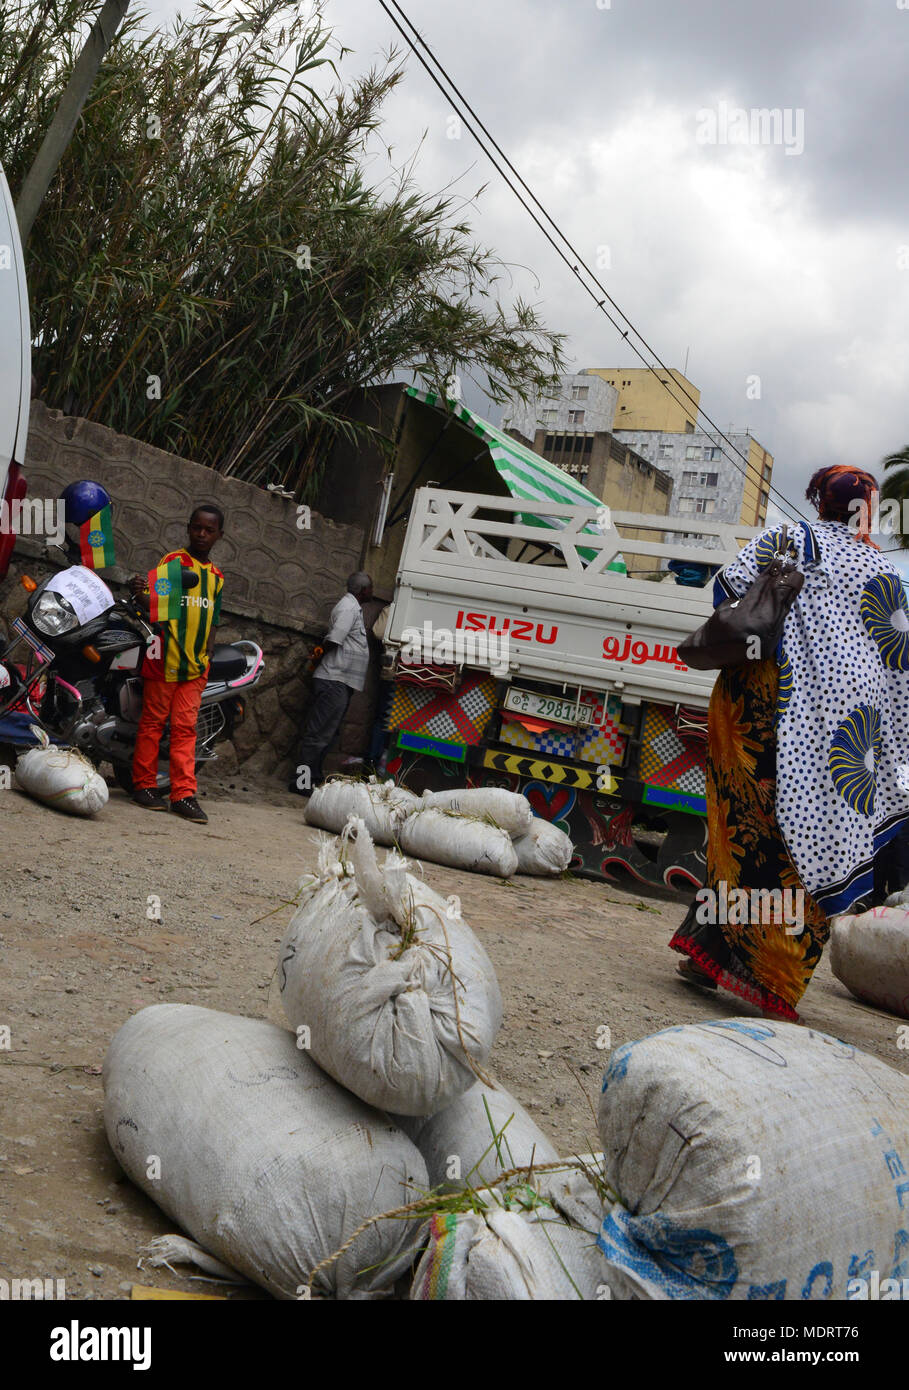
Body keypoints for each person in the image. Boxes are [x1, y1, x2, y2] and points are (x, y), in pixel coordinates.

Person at [671, 465, 909, 1020]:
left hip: (764, 710)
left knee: (749, 834)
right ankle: (750, 968)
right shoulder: (889, 574)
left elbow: (726, 593)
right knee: (821, 836)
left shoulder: (789, 538)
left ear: (820, 501)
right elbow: (900, 666)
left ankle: (734, 961)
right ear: (870, 509)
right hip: (853, 739)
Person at [129, 504, 225, 823]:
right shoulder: (173, 562)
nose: (201, 534)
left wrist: (208, 654)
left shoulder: (217, 578)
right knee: (153, 724)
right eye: (197, 527)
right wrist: (139, 593)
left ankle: (182, 794)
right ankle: (143, 787)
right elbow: (154, 605)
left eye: (208, 530)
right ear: (188, 528)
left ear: (218, 536)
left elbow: (212, 621)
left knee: (186, 730)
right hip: (165, 658)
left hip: (195, 667)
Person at [289, 571, 373, 794]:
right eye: (370, 588)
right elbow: (335, 639)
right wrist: (318, 656)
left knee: (327, 734)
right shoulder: (349, 608)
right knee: (318, 735)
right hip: (333, 679)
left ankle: (312, 778)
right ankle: (301, 783)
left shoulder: (352, 606)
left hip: (339, 681)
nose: (372, 592)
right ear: (363, 590)